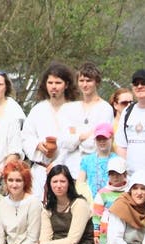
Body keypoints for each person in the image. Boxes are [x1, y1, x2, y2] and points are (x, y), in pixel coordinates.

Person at [21, 62, 80, 198]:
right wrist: (37, 145)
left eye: (58, 82)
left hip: (68, 171)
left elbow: (77, 140)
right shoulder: (38, 110)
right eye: (50, 82)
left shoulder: (76, 110)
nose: (54, 87)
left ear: (66, 84)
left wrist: (59, 161)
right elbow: (26, 136)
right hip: (42, 170)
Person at [63, 62, 114, 176]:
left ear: (96, 82)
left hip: (94, 170)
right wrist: (83, 136)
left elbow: (95, 143)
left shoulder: (105, 108)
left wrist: (76, 136)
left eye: (88, 80)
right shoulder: (71, 108)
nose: (85, 84)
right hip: (71, 169)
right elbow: (65, 141)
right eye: (81, 81)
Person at [92, 157, 128, 244]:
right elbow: (96, 215)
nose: (115, 177)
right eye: (112, 174)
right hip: (106, 231)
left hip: (124, 229)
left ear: (125, 174)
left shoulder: (129, 191)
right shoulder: (102, 193)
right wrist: (96, 234)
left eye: (118, 173)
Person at [77, 123, 120, 199]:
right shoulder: (87, 160)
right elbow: (80, 183)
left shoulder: (117, 159)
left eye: (105, 138)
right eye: (98, 139)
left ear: (111, 138)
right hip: (91, 202)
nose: (102, 141)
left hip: (111, 202)